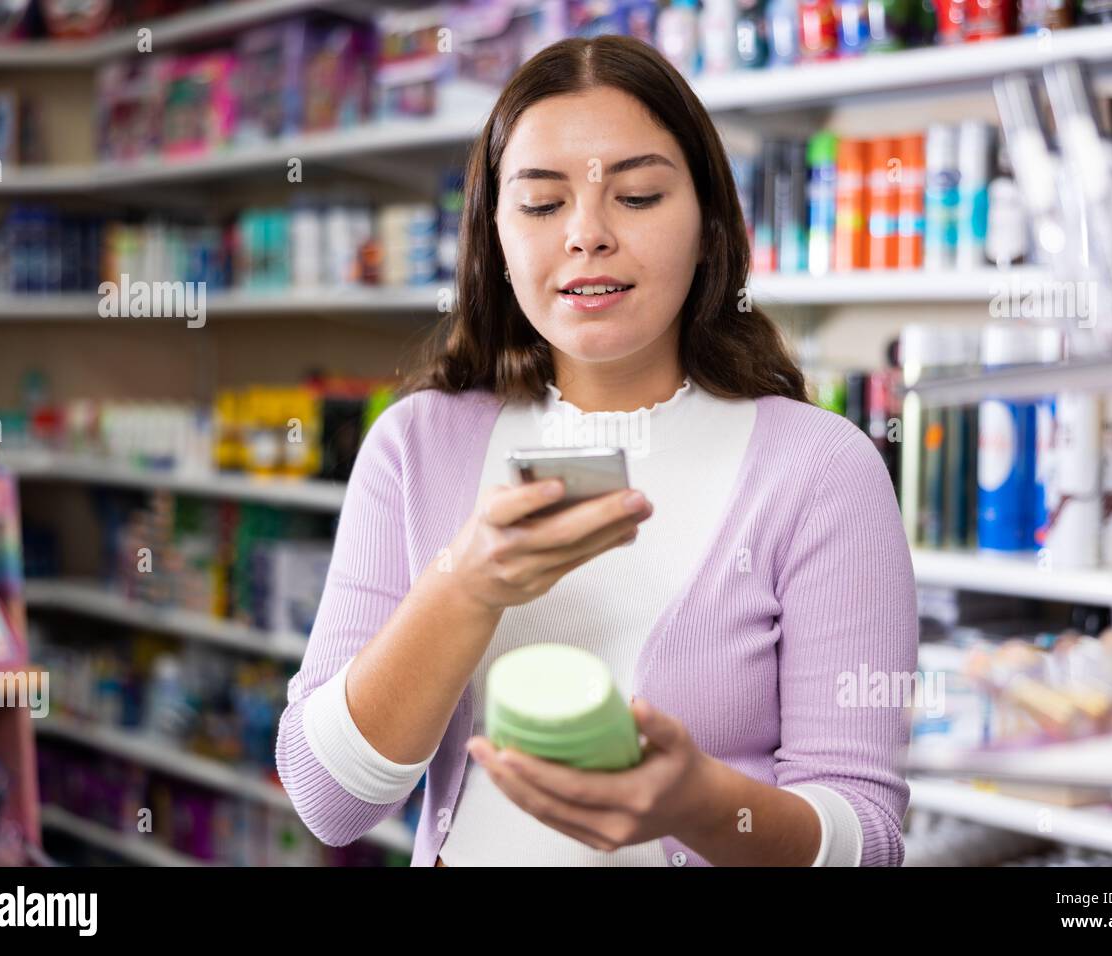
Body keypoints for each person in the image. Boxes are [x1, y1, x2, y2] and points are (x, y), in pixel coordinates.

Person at [275, 34, 918, 867]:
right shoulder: (416, 445)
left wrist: (705, 806)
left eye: (639, 195)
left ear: (709, 225)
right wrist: (464, 586)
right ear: (495, 236)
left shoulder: (822, 467)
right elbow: (329, 803)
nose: (587, 234)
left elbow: (870, 838)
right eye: (542, 205)